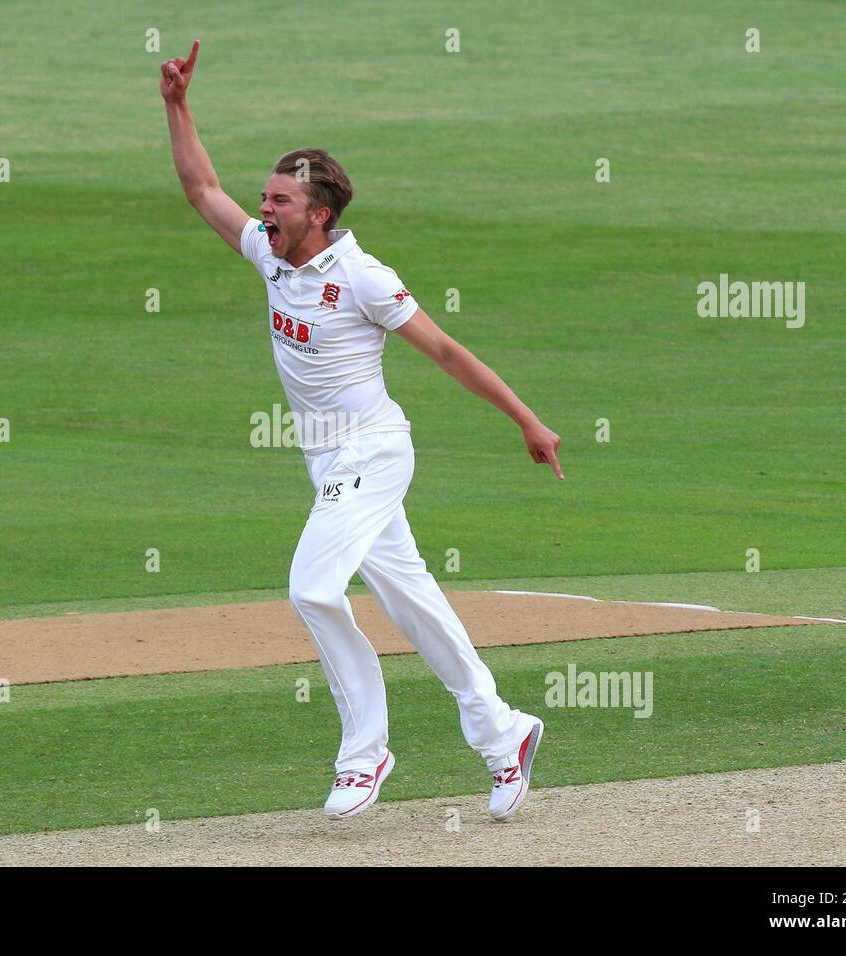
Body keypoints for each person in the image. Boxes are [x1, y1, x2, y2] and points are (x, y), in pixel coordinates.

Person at [160, 41, 563, 821]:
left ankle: (364, 752)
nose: (263, 209)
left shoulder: (364, 278)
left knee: (312, 586)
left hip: (373, 450)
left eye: (278, 202)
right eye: (266, 198)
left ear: (322, 215)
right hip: (326, 461)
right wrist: (177, 103)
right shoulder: (271, 256)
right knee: (413, 603)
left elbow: (446, 350)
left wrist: (528, 421)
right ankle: (502, 731)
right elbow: (199, 186)